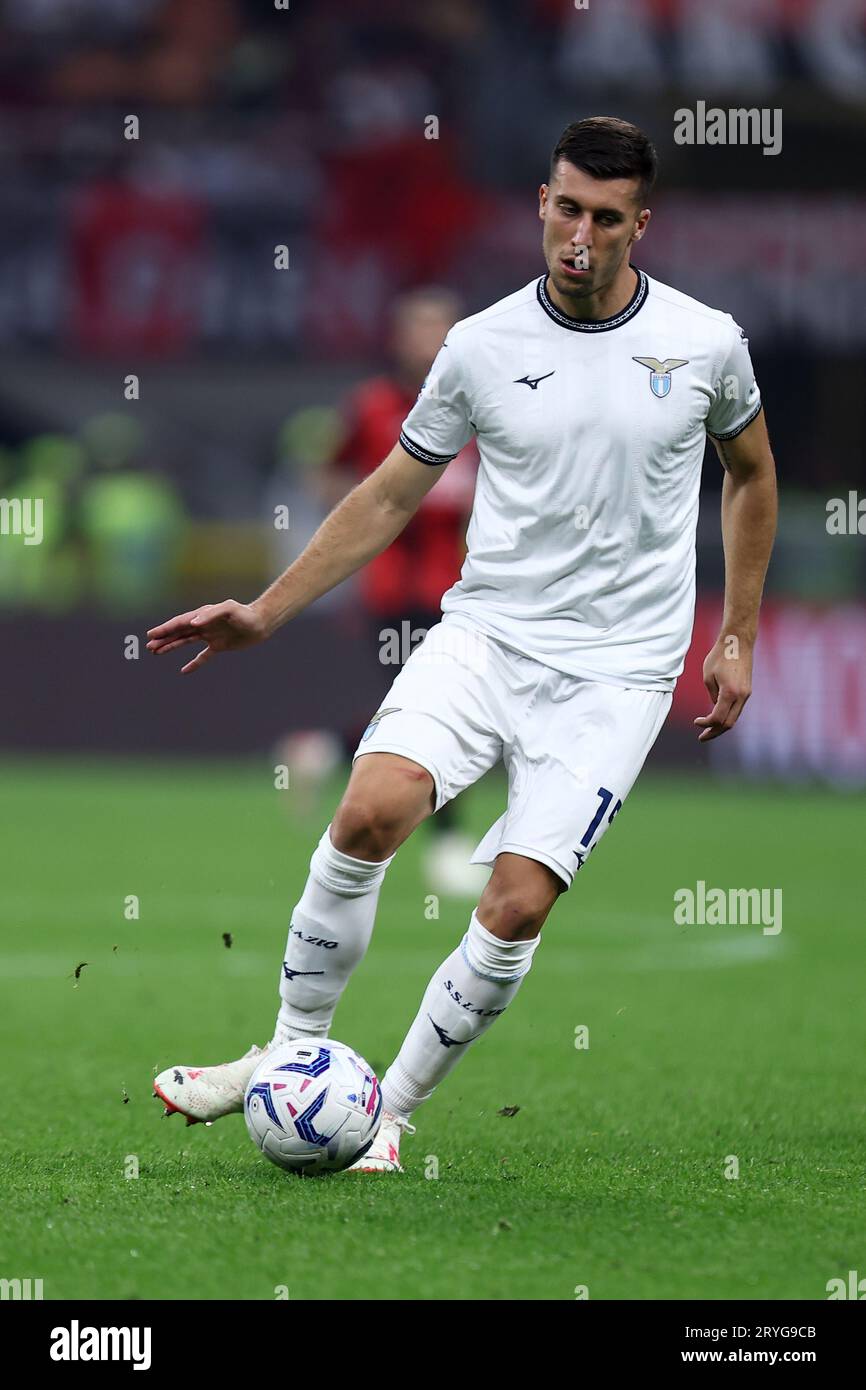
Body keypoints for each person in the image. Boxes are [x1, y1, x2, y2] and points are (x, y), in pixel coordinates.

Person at [147, 117, 777, 1173]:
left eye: (607, 219)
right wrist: (264, 608)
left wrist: (739, 635)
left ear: (639, 226)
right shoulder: (479, 347)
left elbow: (751, 474)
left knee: (516, 899)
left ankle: (381, 1115)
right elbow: (392, 488)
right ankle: (288, 1056)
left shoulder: (703, 341)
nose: (581, 236)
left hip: (617, 672)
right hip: (484, 634)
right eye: (566, 209)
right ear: (541, 203)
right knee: (368, 810)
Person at [318, 286, 483, 896]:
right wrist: (379, 497)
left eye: (441, 328)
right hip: (392, 586)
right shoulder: (372, 407)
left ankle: (324, 752)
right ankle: (445, 846)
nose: (430, 341)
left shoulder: (482, 401)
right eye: (419, 328)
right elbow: (328, 472)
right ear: (398, 337)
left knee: (435, 713)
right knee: (438, 714)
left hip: (464, 586)